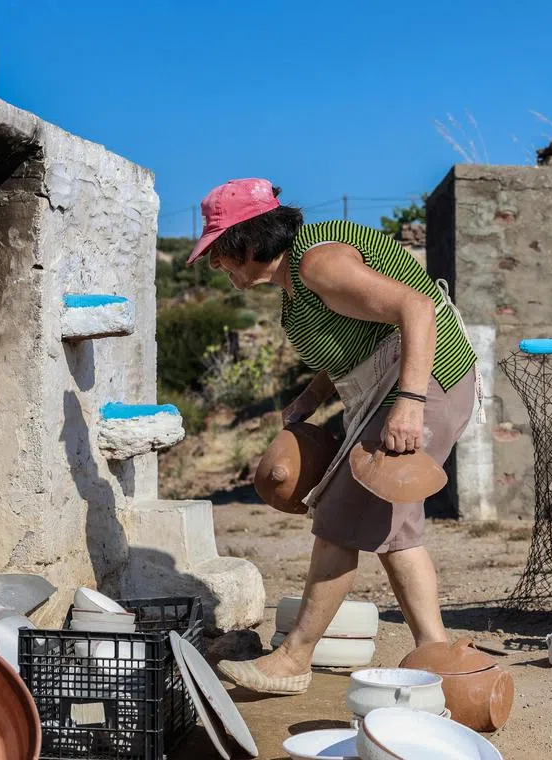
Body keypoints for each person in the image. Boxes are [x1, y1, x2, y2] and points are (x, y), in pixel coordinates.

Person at [186, 178, 480, 695]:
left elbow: (416, 308)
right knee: (393, 527)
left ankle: (294, 658)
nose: (216, 265)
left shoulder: (317, 261)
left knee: (342, 516)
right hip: (397, 386)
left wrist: (410, 405)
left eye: (219, 252)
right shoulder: (295, 294)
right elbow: (358, 342)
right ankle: (440, 659)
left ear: (250, 242)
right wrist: (311, 397)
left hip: (426, 382)